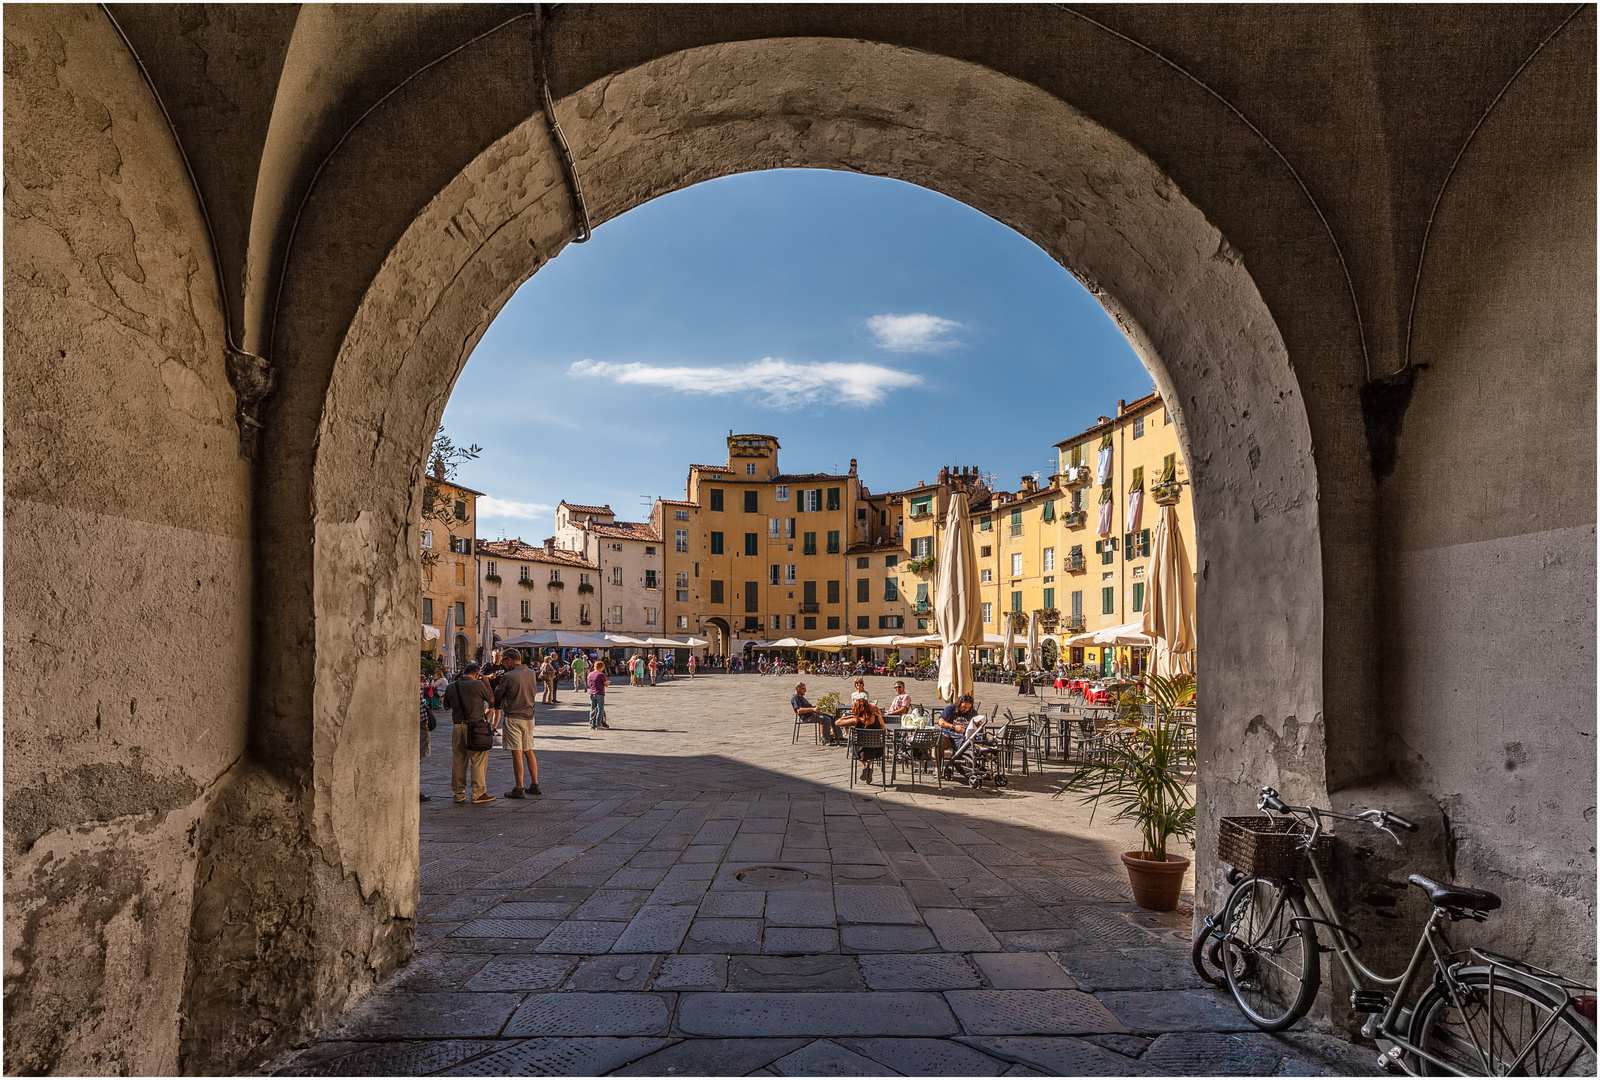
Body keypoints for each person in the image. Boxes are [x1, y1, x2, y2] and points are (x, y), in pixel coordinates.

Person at [443, 663, 494, 804]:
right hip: (475, 727)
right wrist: (487, 683)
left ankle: (458, 794)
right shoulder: (478, 685)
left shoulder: (451, 686)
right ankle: (478, 793)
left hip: (458, 726)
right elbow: (491, 699)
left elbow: (446, 707)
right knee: (478, 759)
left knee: (459, 760)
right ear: (476, 675)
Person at [495, 649, 542, 797]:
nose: (502, 664)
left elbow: (497, 694)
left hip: (513, 716)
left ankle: (519, 787)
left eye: (503, 661)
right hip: (529, 716)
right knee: (528, 750)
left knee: (516, 752)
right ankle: (535, 784)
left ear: (509, 660)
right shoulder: (531, 673)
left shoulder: (508, 676)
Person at [835, 698, 886, 782]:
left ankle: (864, 766)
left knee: (853, 749)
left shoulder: (856, 720)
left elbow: (837, 722)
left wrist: (853, 715)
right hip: (877, 749)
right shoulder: (878, 717)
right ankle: (868, 765)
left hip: (861, 749)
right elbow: (885, 732)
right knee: (870, 752)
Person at [418, 690, 435, 802]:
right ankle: (415, 789)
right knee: (417, 758)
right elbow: (421, 709)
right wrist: (425, 724)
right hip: (418, 728)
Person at [587, 658, 611, 730]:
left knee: (592, 708)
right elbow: (605, 684)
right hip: (599, 692)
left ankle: (592, 723)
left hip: (591, 692)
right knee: (600, 708)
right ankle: (598, 724)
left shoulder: (590, 674)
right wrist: (608, 682)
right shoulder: (601, 675)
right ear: (601, 667)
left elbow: (589, 684)